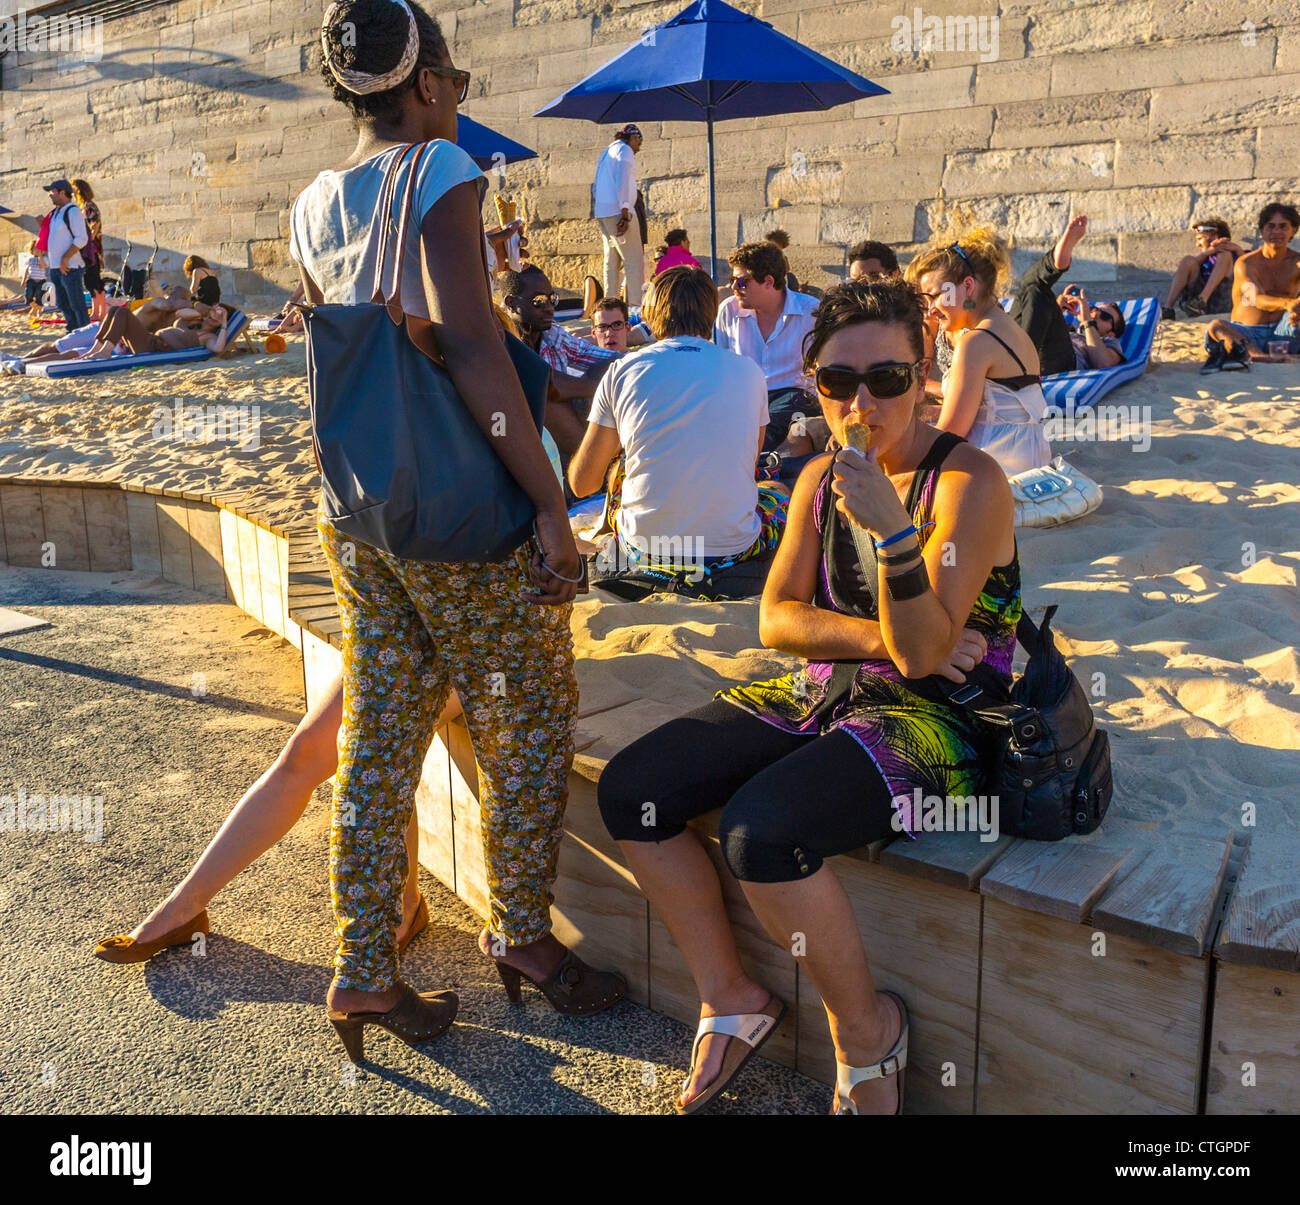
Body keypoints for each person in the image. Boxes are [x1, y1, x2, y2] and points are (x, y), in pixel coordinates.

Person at [597, 277, 1020, 1115]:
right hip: (828, 688)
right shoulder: (820, 479)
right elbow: (777, 617)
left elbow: (931, 655)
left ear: (924, 371)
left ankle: (868, 1034)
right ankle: (732, 992)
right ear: (813, 381)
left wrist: (897, 534)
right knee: (632, 792)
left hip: (946, 719)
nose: (862, 401)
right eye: (837, 382)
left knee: (763, 832)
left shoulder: (968, 482)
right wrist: (874, 638)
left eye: (887, 379)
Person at [294, 0, 625, 1060]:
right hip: (456, 518)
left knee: (377, 734)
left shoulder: (312, 201)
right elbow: (476, 351)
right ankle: (522, 938)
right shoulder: (437, 171)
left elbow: (375, 347)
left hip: (359, 511)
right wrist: (545, 500)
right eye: (459, 86)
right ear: (429, 84)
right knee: (526, 714)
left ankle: (361, 967)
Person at [568, 266, 788, 596]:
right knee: (779, 492)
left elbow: (582, 483)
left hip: (645, 549)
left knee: (624, 470)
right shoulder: (748, 371)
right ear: (709, 312)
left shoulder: (622, 371)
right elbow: (747, 462)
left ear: (652, 312)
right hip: (730, 550)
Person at [906, 227, 1051, 477]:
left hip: (998, 472)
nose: (931, 310)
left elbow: (950, 433)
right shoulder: (1008, 328)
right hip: (1033, 461)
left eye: (936, 296)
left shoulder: (975, 342)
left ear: (968, 287)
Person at [497, 263, 620, 462]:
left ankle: (607, 459)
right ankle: (595, 467)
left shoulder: (551, 334)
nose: (549, 308)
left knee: (611, 368)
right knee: (546, 398)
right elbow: (544, 386)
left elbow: (603, 357)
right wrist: (596, 387)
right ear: (511, 303)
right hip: (514, 433)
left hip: (559, 433)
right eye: (538, 301)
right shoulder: (501, 339)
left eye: (551, 299)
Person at [713, 241, 820, 456]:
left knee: (788, 410)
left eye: (742, 282)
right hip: (745, 395)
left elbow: (817, 371)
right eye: (732, 280)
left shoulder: (810, 312)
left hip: (793, 396)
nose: (734, 288)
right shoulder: (728, 311)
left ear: (769, 282)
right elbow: (721, 367)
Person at [1202, 202, 1300, 373]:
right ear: (1262, 231)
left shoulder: (1297, 261)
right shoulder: (1246, 263)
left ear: (1293, 231)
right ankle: (1260, 356)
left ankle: (1264, 356)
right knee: (1217, 326)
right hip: (1247, 333)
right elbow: (1256, 299)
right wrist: (1288, 304)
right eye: (1271, 226)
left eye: (1283, 226)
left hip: (1284, 335)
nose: (1276, 231)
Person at [592, 123, 645, 304]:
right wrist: (625, 210)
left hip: (603, 211)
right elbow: (622, 178)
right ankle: (636, 308)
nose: (639, 147)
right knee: (634, 262)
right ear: (633, 137)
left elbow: (596, 185)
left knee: (611, 261)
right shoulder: (625, 150)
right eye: (639, 141)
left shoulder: (606, 151)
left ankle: (610, 304)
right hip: (617, 210)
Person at [80, 300, 231, 359]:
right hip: (150, 340)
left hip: (154, 346)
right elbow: (179, 313)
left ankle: (106, 351)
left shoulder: (209, 336)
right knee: (114, 310)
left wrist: (223, 320)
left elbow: (218, 348)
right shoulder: (194, 320)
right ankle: (97, 347)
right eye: (215, 311)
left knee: (123, 312)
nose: (215, 314)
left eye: (220, 314)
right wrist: (207, 311)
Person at [1163, 217, 1243, 320]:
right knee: (1187, 260)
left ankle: (1201, 300)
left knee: (1225, 254)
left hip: (1222, 304)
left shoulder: (1234, 254)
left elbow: (1251, 268)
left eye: (1200, 239)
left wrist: (1238, 250)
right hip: (1194, 307)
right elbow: (1186, 266)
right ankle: (1168, 308)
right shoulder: (1202, 257)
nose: (1197, 244)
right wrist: (1207, 252)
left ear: (1214, 237)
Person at [43, 177, 91, 332]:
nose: (50, 195)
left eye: (52, 191)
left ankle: (84, 333)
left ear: (62, 193)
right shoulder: (57, 212)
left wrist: (65, 258)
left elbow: (81, 238)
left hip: (70, 266)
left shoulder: (73, 211)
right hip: (56, 267)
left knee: (76, 303)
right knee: (62, 303)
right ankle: (72, 331)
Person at [71, 179, 107, 322]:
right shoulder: (83, 206)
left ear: (79, 190)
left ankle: (100, 312)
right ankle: (98, 312)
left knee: (92, 280)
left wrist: (86, 242)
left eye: (73, 189)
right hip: (90, 248)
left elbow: (94, 225)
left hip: (91, 249)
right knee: (92, 280)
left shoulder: (88, 206)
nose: (72, 192)